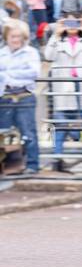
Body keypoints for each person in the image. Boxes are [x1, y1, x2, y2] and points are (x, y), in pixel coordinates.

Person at [44, 8, 82, 173]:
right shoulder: (58, 41)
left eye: (75, 22)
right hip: (65, 88)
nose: (71, 26)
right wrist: (55, 34)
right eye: (67, 22)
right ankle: (57, 158)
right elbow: (48, 55)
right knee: (60, 123)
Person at [0, 20, 41, 174]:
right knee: (5, 133)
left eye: (18, 36)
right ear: (7, 37)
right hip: (5, 96)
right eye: (12, 36)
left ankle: (32, 164)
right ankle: (11, 165)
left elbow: (33, 73)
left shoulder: (31, 52)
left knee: (28, 132)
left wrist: (7, 74)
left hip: (24, 95)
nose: (16, 39)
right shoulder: (2, 53)